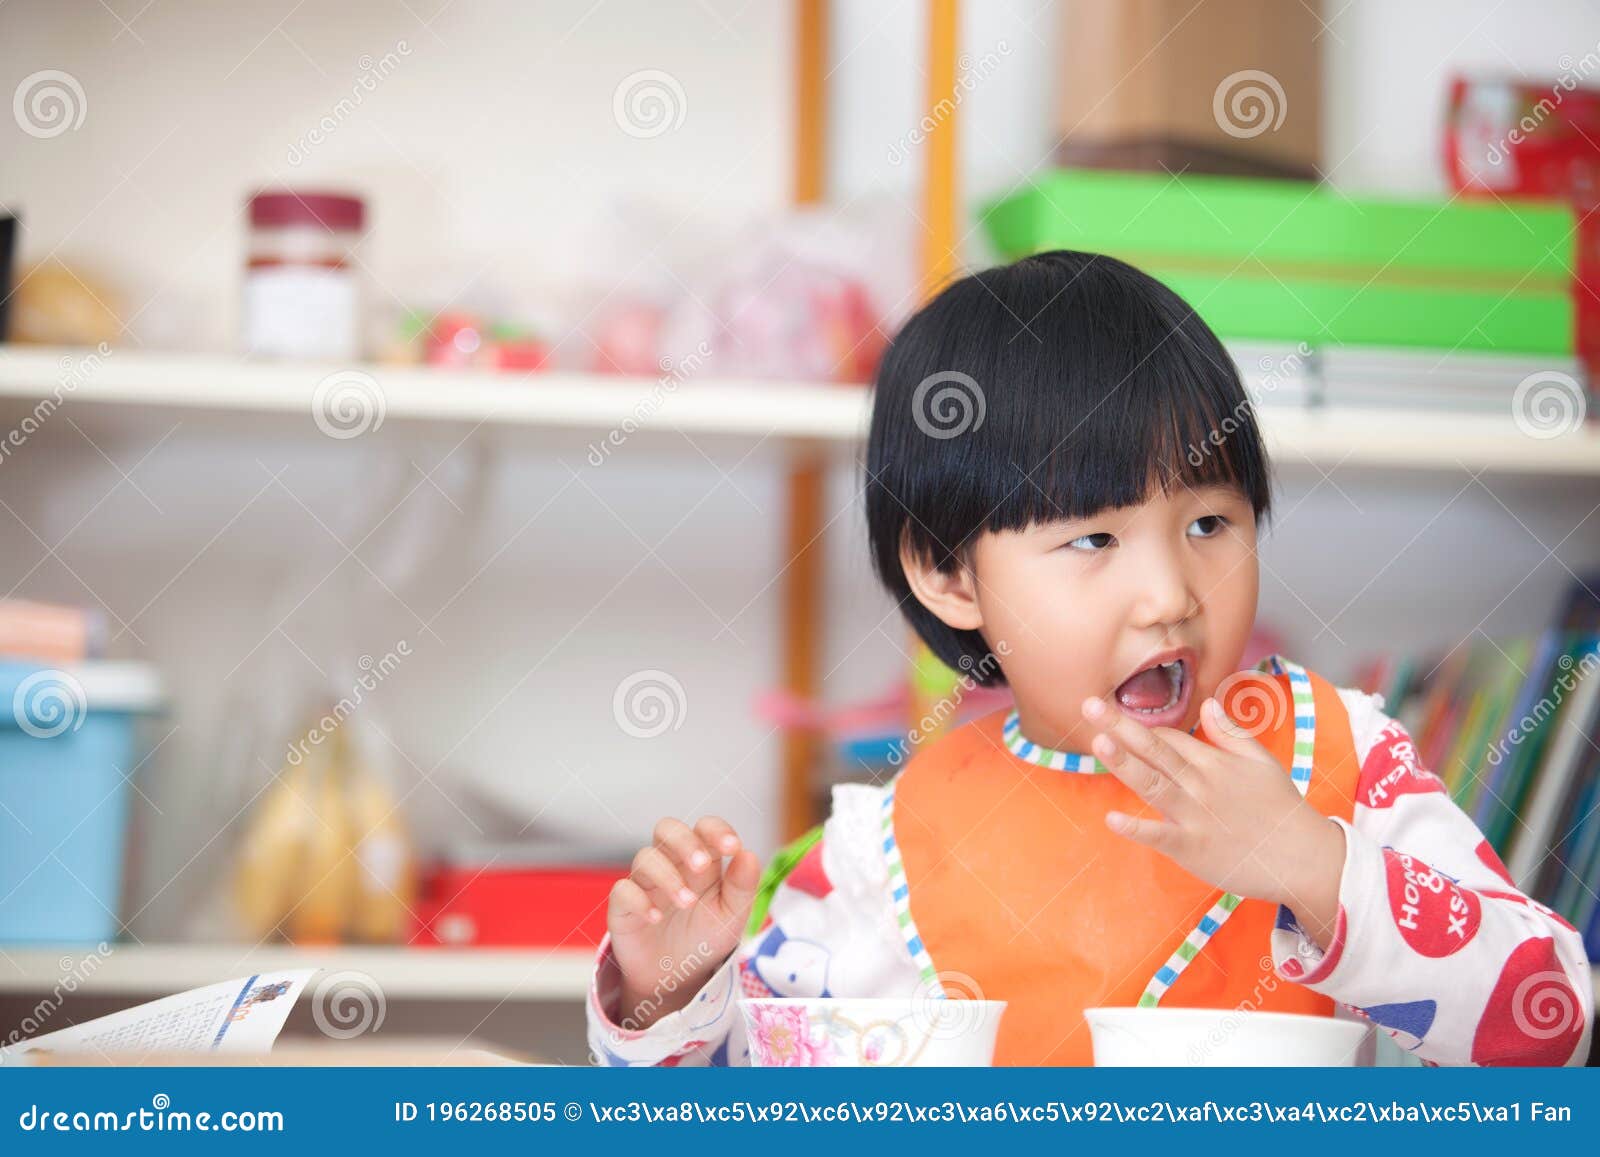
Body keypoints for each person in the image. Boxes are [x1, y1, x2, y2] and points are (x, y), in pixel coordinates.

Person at [587, 250, 1594, 1067]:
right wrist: (669, 992)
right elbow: (751, 1102)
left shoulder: (1346, 757)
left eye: (1208, 523)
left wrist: (1313, 863)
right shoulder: (885, 844)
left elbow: (1552, 1022)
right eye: (1094, 539)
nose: (1169, 595)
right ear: (950, 575)